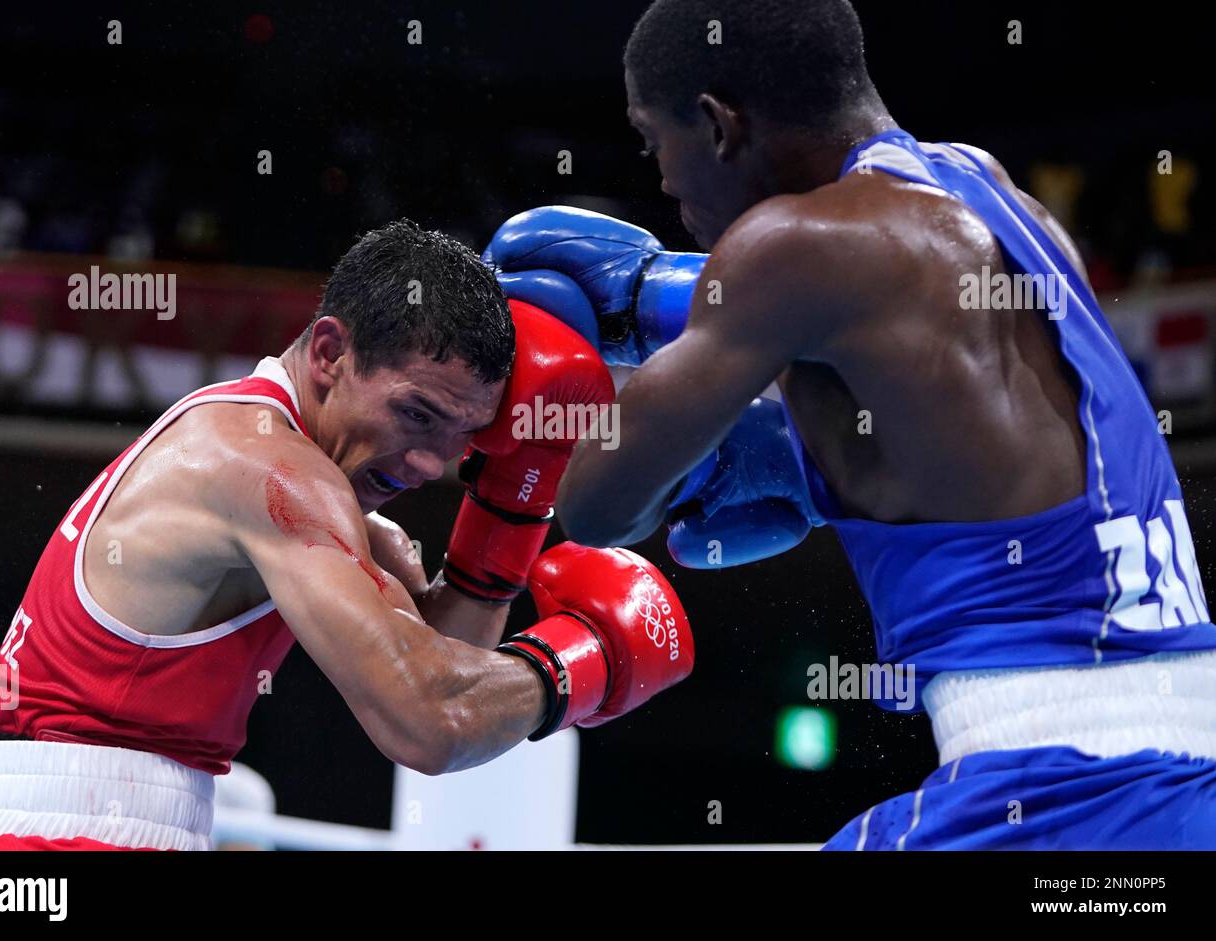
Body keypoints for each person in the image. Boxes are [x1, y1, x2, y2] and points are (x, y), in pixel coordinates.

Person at [486, 0, 1216, 849]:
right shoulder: (992, 191)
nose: (663, 182)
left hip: (1057, 791)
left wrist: (624, 328)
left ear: (720, 125)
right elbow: (984, 449)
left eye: (655, 144)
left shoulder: (788, 247)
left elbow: (601, 504)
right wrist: (802, 458)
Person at [0, 220, 693, 851]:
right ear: (331, 353)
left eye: (466, 437)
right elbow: (428, 721)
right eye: (418, 414)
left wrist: (509, 505)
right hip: (57, 839)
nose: (433, 462)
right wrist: (582, 660)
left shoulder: (313, 496)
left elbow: (452, 672)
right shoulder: (264, 470)